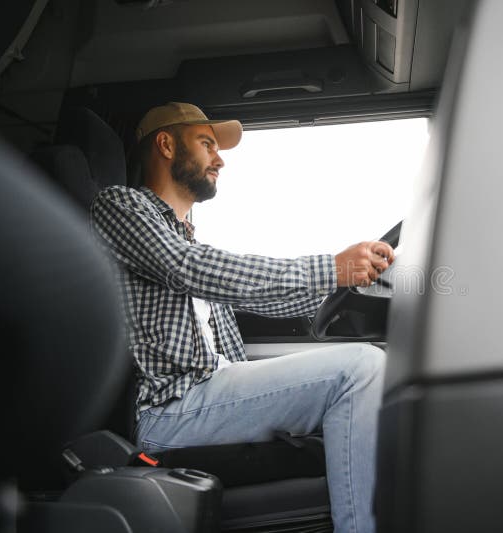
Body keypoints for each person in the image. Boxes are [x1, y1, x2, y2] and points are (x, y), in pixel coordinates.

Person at [90, 102, 394, 533]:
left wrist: (341, 286)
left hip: (212, 391)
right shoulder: (119, 206)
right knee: (361, 369)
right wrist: (329, 267)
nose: (219, 159)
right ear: (165, 144)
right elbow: (186, 266)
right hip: (171, 409)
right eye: (207, 143)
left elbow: (258, 302)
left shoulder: (187, 236)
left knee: (363, 368)